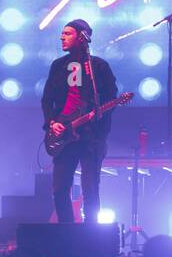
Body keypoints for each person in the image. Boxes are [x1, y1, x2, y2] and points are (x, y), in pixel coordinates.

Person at [42, 19, 117, 223]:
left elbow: (112, 98)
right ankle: (66, 233)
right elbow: (47, 99)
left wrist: (99, 116)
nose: (62, 37)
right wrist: (51, 122)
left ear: (82, 37)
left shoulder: (99, 67)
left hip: (91, 138)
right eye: (62, 33)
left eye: (67, 34)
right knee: (59, 190)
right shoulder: (58, 66)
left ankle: (91, 235)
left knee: (91, 190)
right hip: (64, 133)